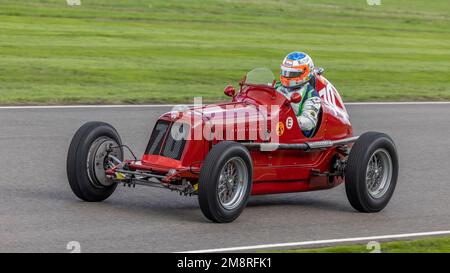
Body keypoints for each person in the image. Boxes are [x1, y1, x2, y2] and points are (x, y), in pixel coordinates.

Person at [276, 51, 322, 137]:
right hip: (273, 128)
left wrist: (284, 121)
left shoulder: (311, 94)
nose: (287, 77)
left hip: (293, 135)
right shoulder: (277, 86)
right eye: (285, 72)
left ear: (305, 73)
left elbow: (309, 122)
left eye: (292, 73)